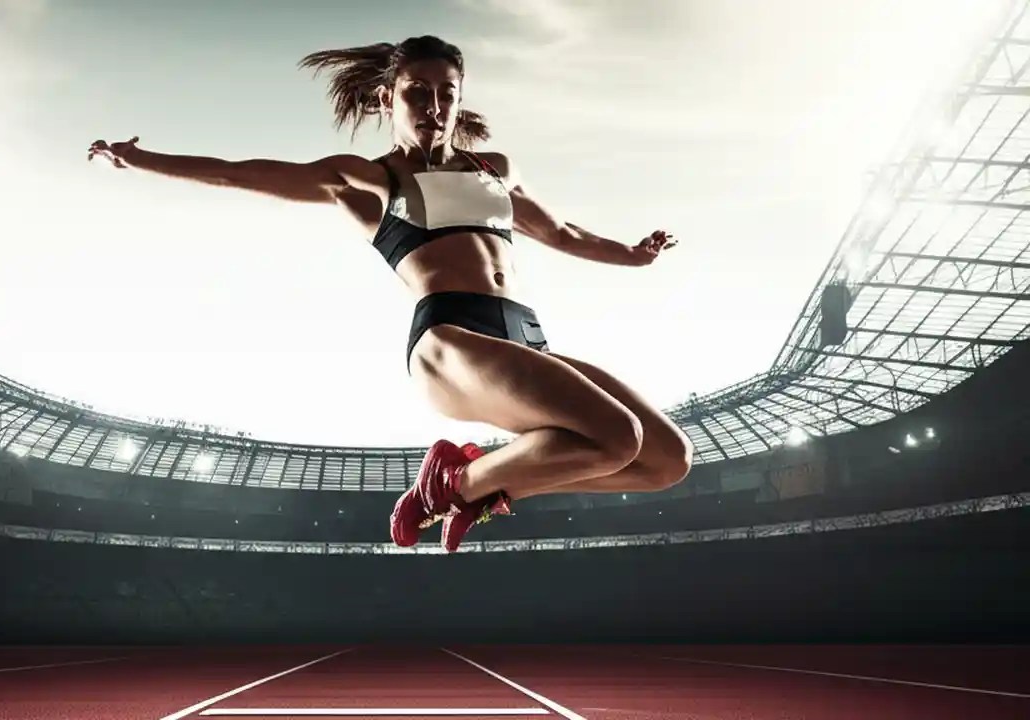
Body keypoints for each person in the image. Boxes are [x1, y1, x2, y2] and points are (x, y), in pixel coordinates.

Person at [88, 35, 693, 553]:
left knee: (665, 461)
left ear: (460, 98)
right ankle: (459, 485)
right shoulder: (374, 179)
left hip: (523, 334)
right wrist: (142, 160)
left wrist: (632, 254)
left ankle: (475, 485)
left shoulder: (495, 169)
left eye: (447, 93)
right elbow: (241, 170)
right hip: (450, 338)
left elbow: (562, 232)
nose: (434, 106)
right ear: (388, 98)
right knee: (618, 437)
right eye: (417, 92)